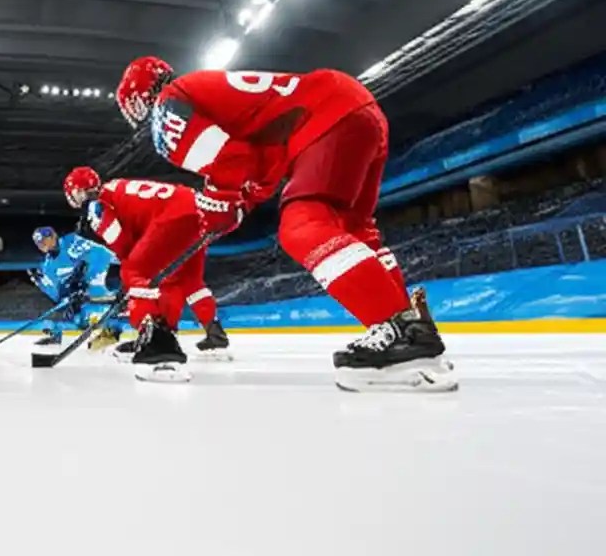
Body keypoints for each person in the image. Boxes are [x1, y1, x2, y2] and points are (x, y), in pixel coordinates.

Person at [116, 56, 455, 391]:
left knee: (303, 224)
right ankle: (413, 329)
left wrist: (218, 203)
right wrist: (236, 202)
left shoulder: (169, 107)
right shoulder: (202, 91)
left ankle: (399, 330)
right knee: (356, 231)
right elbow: (261, 169)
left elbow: (235, 163)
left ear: (142, 94)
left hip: (324, 119)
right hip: (355, 108)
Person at [65, 167, 228, 382]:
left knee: (134, 270)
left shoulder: (97, 207)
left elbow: (125, 249)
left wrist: (130, 290)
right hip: (197, 209)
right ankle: (211, 333)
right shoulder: (116, 186)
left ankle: (153, 341)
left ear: (77, 193)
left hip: (171, 216)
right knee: (187, 279)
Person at [27, 226, 116, 348]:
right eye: (39, 243)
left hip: (100, 277)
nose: (42, 244)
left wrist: (83, 274)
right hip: (83, 295)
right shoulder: (48, 266)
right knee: (77, 317)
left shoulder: (70, 241)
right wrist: (42, 284)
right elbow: (58, 295)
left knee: (95, 303)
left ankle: (108, 326)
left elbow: (100, 254)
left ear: (54, 236)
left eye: (44, 239)